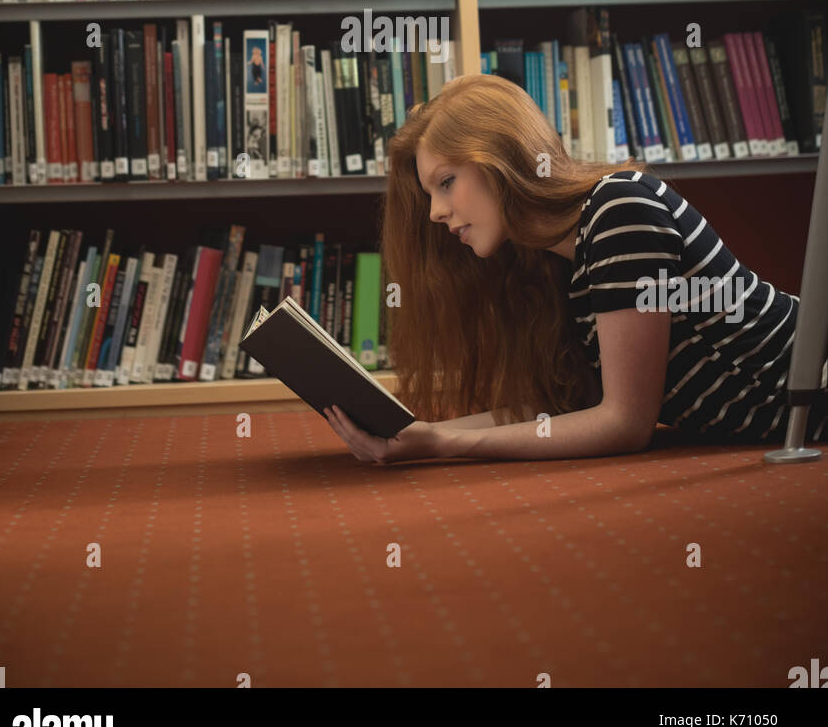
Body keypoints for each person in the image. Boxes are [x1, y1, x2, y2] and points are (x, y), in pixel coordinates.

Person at [324, 73, 828, 464]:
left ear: (501, 159)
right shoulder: (558, 258)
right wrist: (419, 433)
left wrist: (442, 445)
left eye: (447, 181)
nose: (435, 212)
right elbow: (559, 409)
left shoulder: (619, 209)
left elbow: (625, 423)